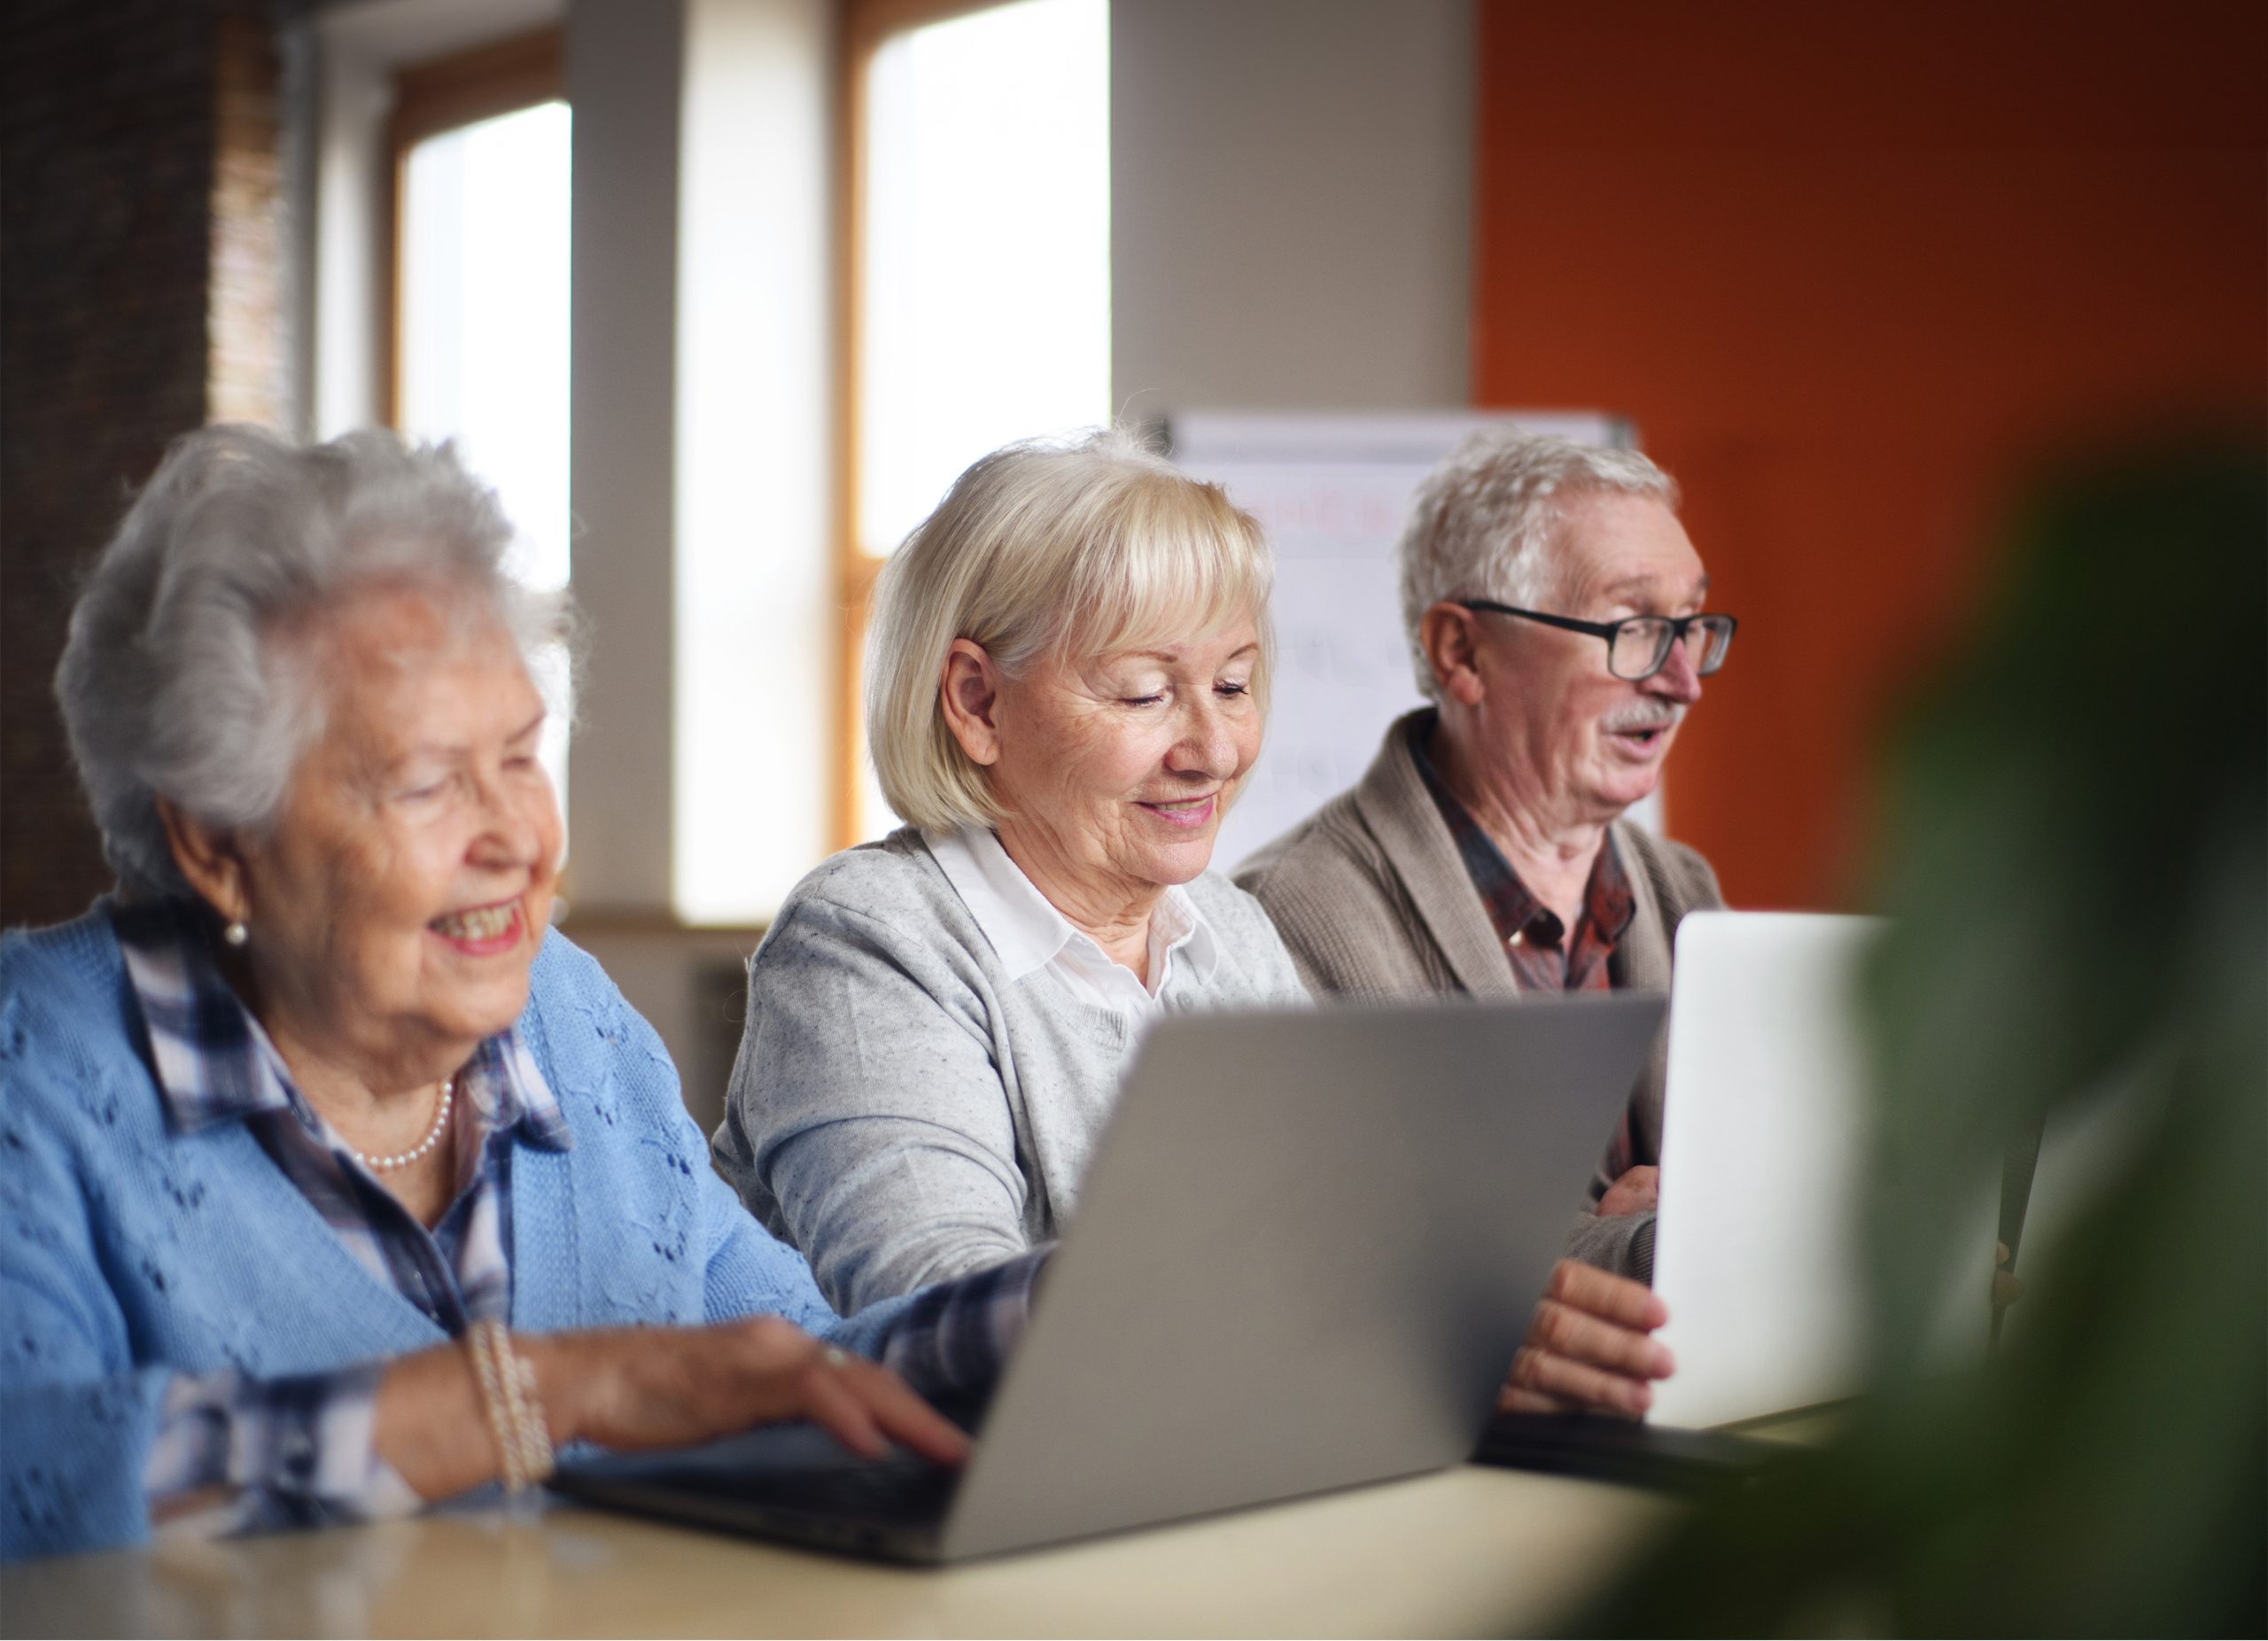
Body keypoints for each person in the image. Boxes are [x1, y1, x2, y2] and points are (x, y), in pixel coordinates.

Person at [0, 426, 1015, 1565]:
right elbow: (26, 1474)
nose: (517, 841)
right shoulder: (33, 1067)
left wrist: (1055, 1312)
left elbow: (799, 1365)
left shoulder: (564, 1016)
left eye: (523, 759)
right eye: (429, 783)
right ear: (218, 844)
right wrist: (534, 1397)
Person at [714, 429, 1674, 1419]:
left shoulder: (1229, 932)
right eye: (1144, 691)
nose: (1214, 749)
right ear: (975, 700)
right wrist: (1399, 1315)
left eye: (1232, 684)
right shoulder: (866, 936)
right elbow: (938, 1323)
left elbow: (1372, 1244)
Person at [1235, 432, 1734, 1282]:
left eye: (1692, 626)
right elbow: (1386, 1268)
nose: (1683, 681)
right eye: (1636, 627)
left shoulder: (1684, 891)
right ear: (1462, 653)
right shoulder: (1290, 919)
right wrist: (1669, 1234)